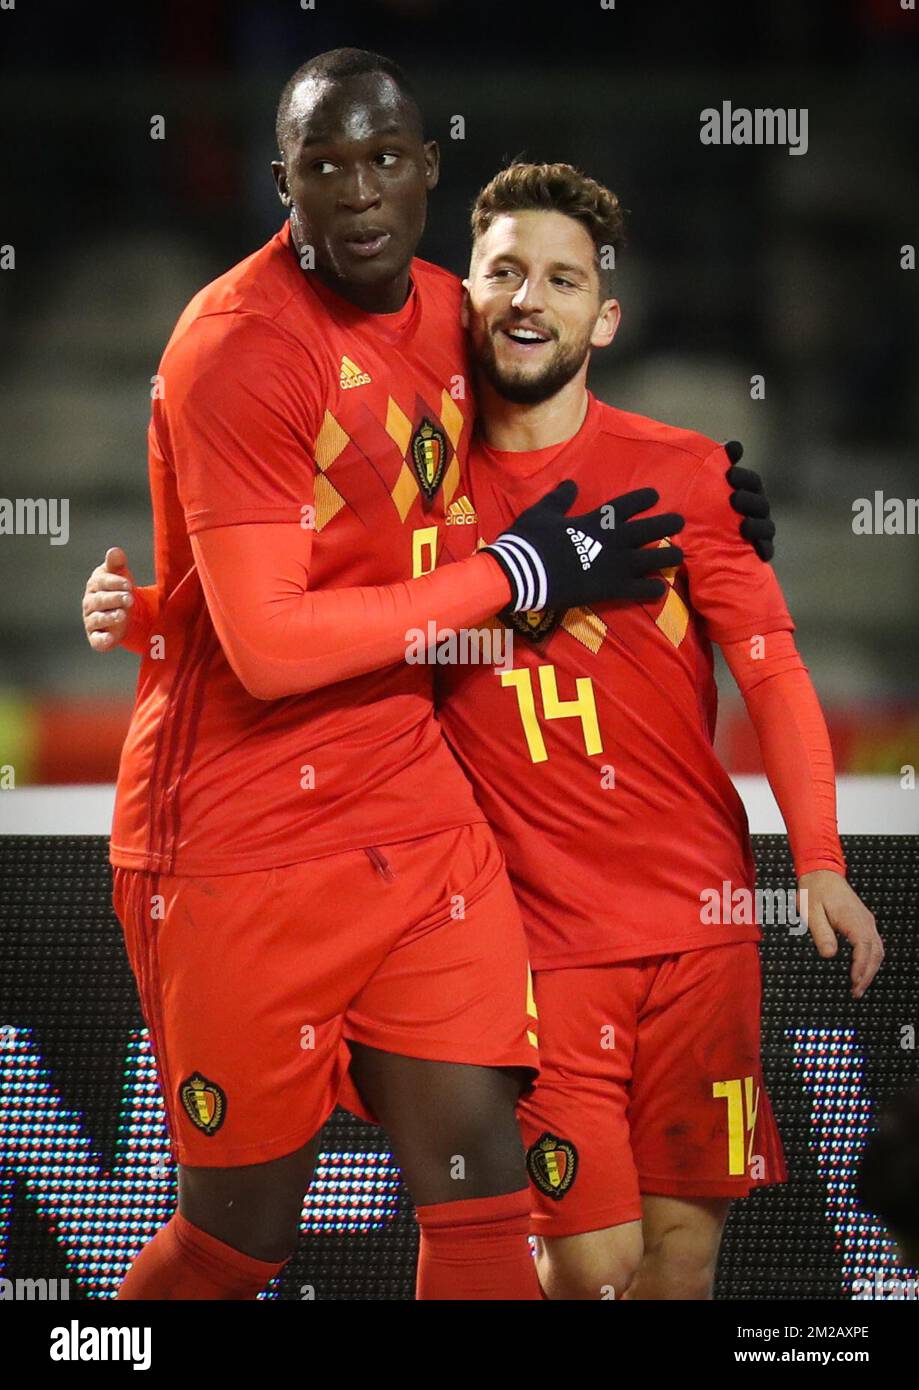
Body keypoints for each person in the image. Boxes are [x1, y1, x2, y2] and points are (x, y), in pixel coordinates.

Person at [81, 53, 775, 1301]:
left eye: (384, 161)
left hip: (413, 810)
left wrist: (704, 493)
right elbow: (272, 646)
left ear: (429, 168)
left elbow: (543, 401)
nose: (356, 195)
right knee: (235, 1243)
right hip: (241, 839)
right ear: (278, 179)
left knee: (486, 1208)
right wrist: (512, 573)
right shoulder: (239, 347)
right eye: (324, 167)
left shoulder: (453, 309)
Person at [433, 161, 885, 1300]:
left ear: (605, 314)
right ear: (465, 292)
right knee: (589, 1265)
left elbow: (774, 675)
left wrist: (818, 861)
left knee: (681, 1260)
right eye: (505, 271)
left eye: (562, 278)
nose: (530, 298)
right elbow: (299, 614)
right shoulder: (415, 492)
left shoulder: (685, 474)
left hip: (702, 935)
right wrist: (145, 616)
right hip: (537, 948)